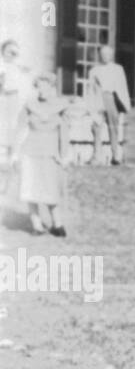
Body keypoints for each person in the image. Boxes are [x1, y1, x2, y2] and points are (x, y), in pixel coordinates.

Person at [15, 73, 69, 236]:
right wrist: (15, 154)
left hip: (51, 151)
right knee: (30, 188)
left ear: (52, 87)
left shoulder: (60, 106)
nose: (42, 90)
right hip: (30, 151)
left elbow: (64, 133)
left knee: (51, 188)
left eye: (46, 86)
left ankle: (57, 224)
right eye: (39, 87)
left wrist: (64, 154)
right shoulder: (29, 105)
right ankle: (36, 224)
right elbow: (20, 129)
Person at [87, 44, 131, 165]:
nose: (105, 56)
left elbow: (123, 87)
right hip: (98, 99)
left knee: (114, 128)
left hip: (112, 98)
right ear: (99, 55)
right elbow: (90, 89)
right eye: (103, 54)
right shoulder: (94, 70)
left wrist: (124, 105)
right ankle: (97, 156)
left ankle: (115, 155)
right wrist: (90, 106)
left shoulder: (118, 69)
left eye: (108, 54)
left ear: (112, 55)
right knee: (96, 127)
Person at [0, 38, 33, 168]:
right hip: (4, 97)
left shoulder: (17, 67)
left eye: (14, 52)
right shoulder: (1, 65)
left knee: (15, 126)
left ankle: (13, 154)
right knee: (4, 126)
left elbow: (28, 72)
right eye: (9, 52)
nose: (12, 55)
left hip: (16, 99)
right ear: (3, 52)